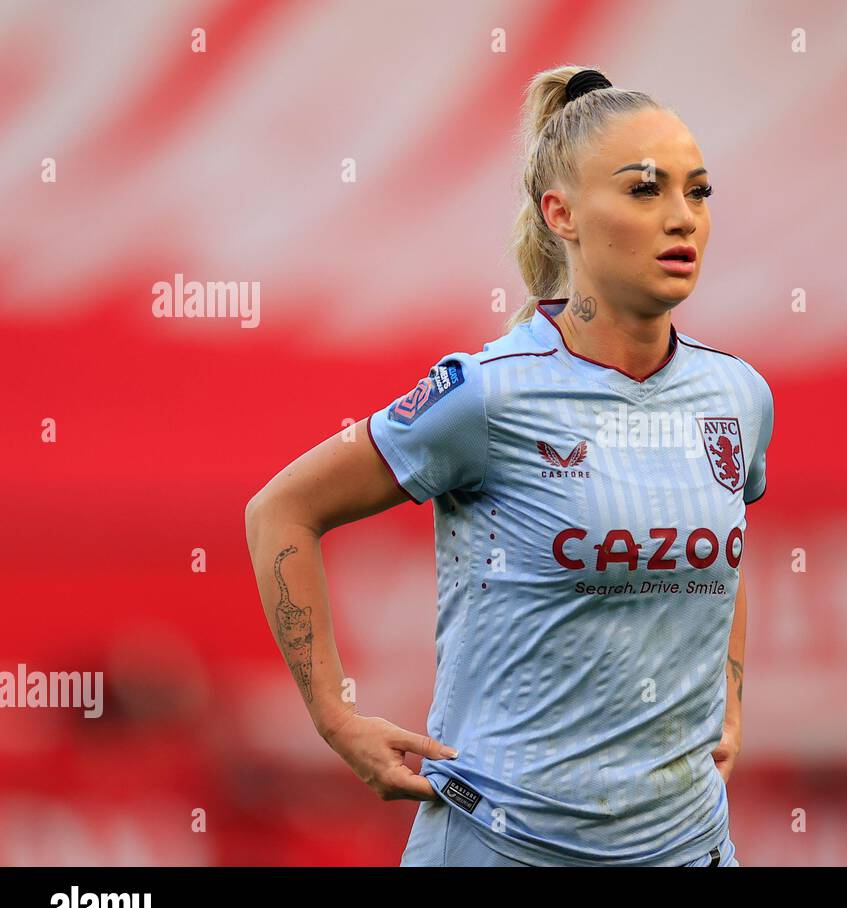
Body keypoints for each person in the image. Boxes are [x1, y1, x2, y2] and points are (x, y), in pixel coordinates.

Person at [244, 64, 773, 866]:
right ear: (559, 213)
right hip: (505, 846)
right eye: (643, 190)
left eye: (698, 193)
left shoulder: (737, 394)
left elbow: (720, 547)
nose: (682, 218)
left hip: (690, 846)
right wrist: (337, 719)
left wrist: (728, 705)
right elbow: (280, 512)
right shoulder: (485, 395)